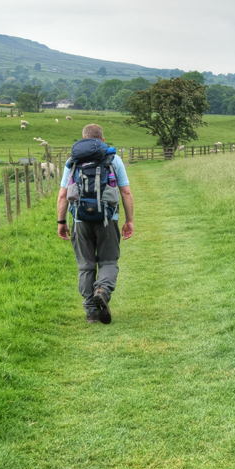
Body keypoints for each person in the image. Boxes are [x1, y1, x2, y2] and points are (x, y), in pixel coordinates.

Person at [57, 124, 134, 324]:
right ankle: (102, 290)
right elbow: (126, 192)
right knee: (108, 261)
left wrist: (61, 221)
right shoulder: (113, 159)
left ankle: (91, 312)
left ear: (83, 137)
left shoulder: (72, 161)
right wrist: (129, 220)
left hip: (80, 220)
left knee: (85, 265)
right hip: (108, 219)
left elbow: (63, 194)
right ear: (102, 138)